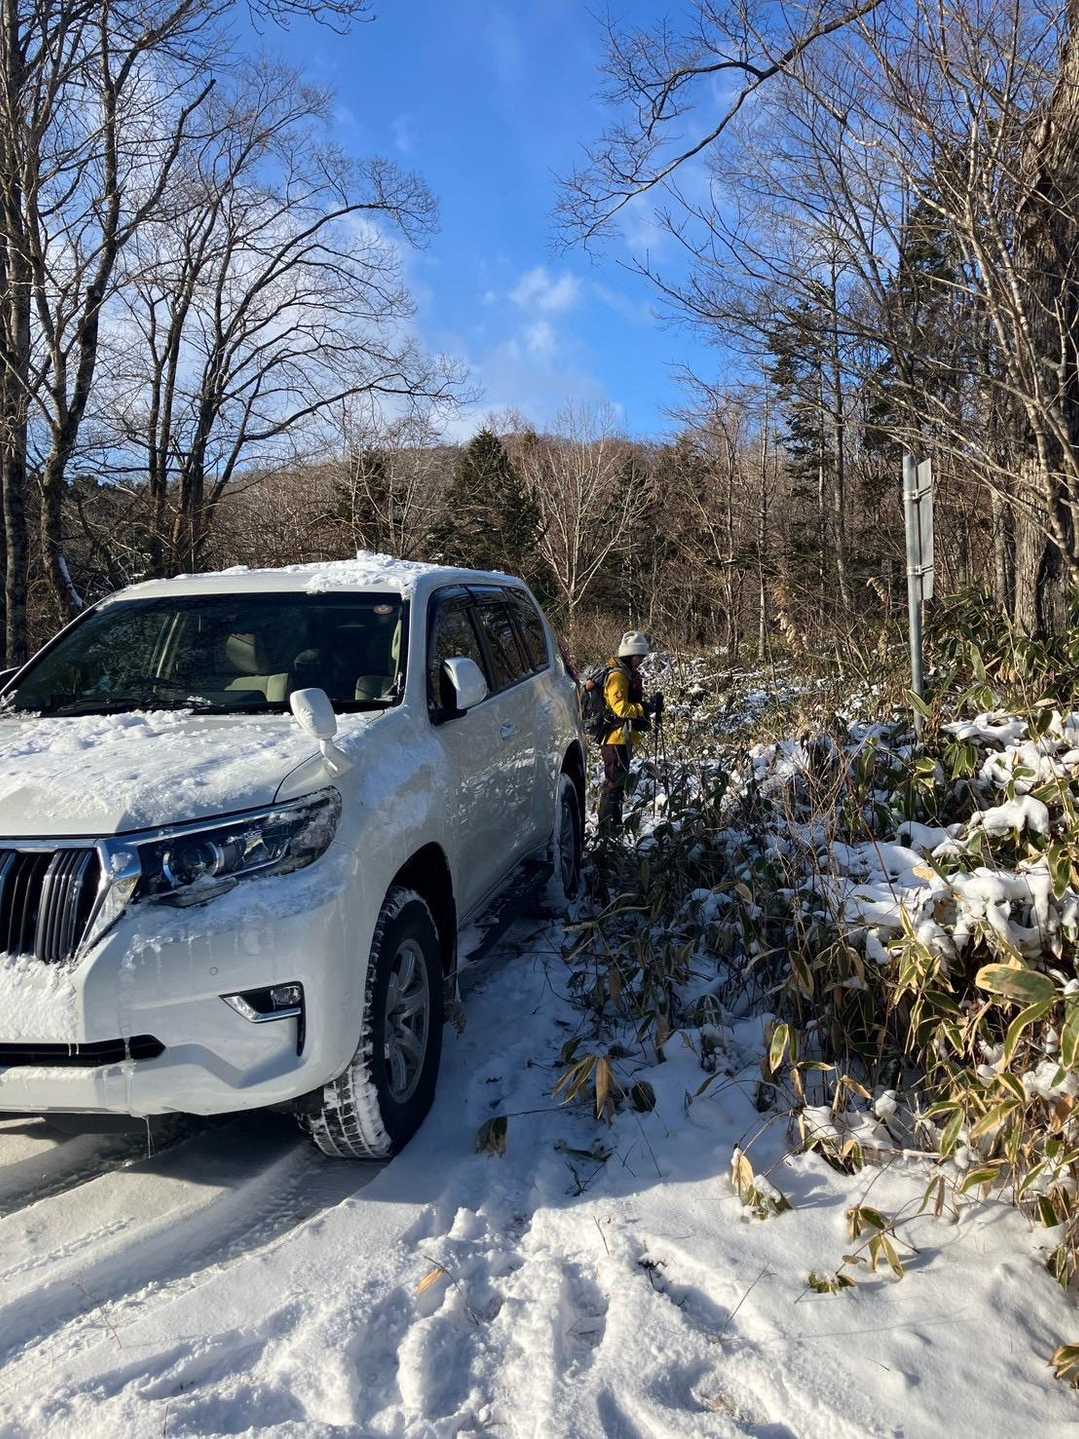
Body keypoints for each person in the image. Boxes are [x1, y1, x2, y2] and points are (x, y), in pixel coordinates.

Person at [597, 631, 664, 834]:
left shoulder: (627, 673)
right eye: (639, 657)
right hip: (615, 738)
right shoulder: (617, 675)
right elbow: (620, 709)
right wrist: (645, 707)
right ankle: (607, 831)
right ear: (630, 655)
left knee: (617, 784)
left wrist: (648, 706)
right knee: (613, 785)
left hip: (622, 737)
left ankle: (612, 828)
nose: (641, 661)